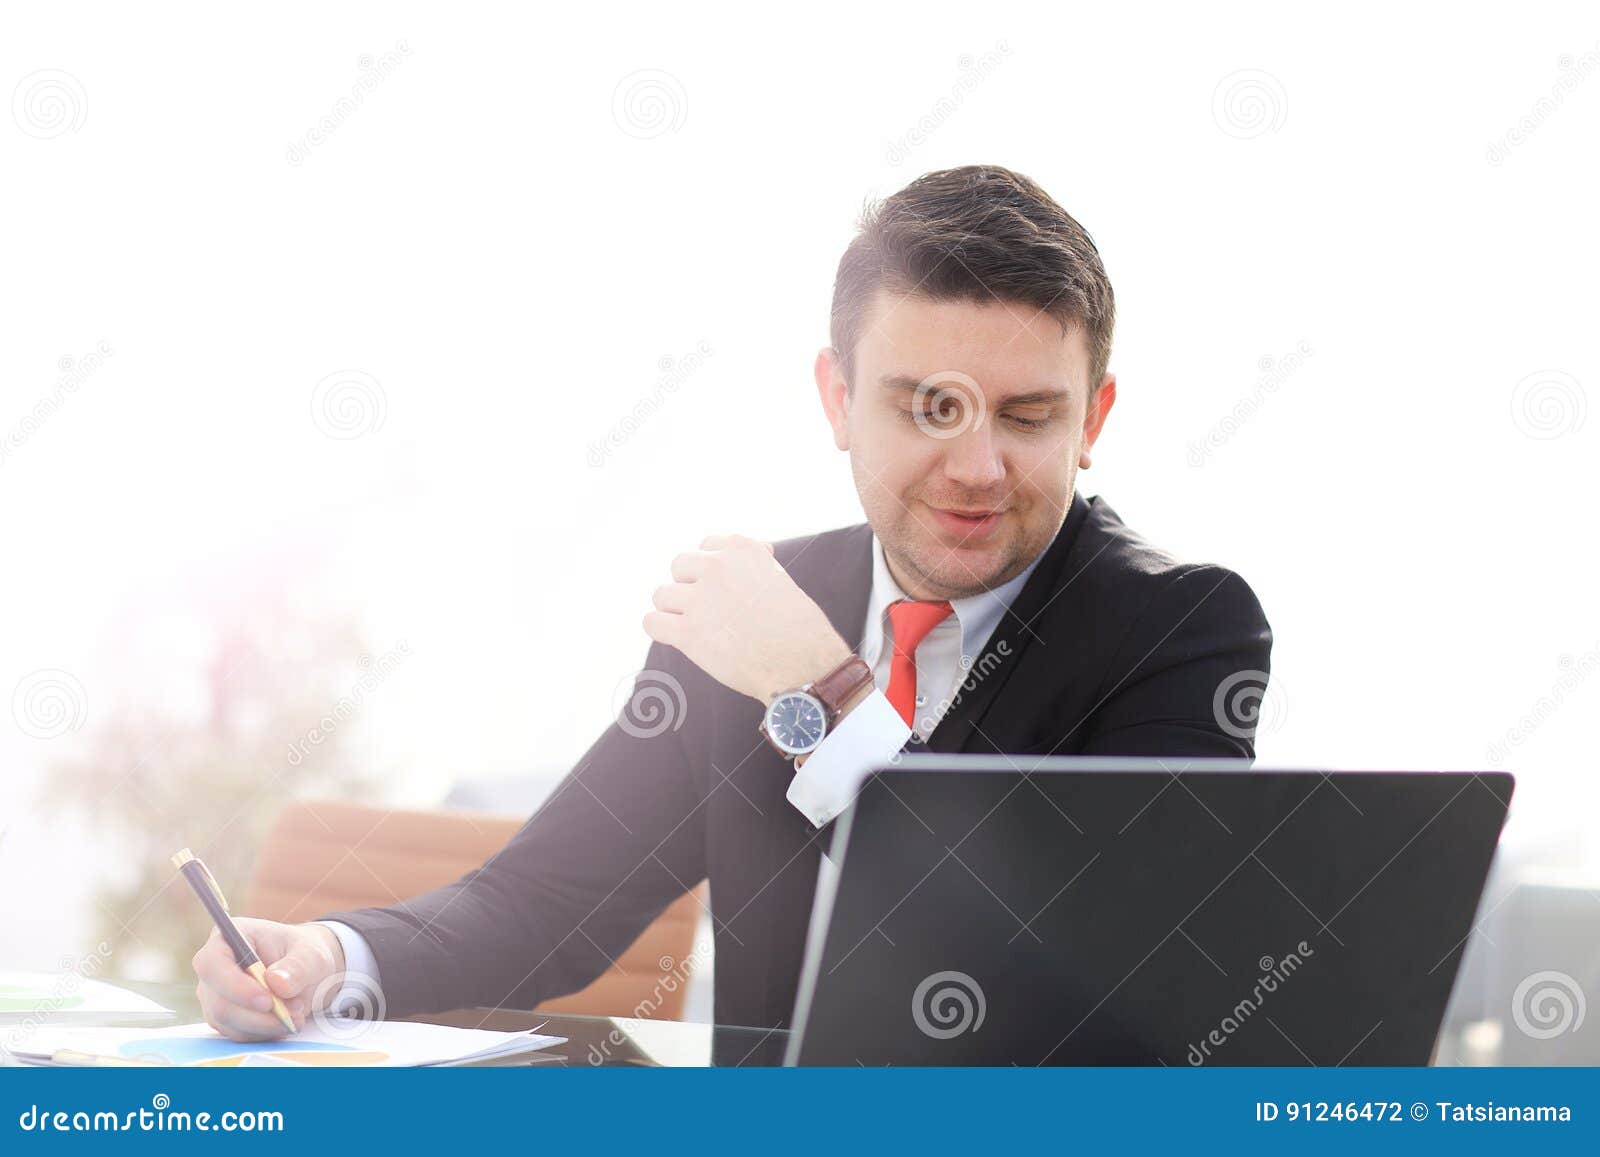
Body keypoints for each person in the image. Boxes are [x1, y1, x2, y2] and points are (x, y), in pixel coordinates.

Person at [192, 164, 1273, 1040]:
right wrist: (332, 955)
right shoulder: (754, 607)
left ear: (1095, 419)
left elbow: (1097, 983)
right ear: (838, 399)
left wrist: (821, 689)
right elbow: (550, 900)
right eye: (927, 407)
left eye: (1029, 416)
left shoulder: (1180, 630)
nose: (977, 466)